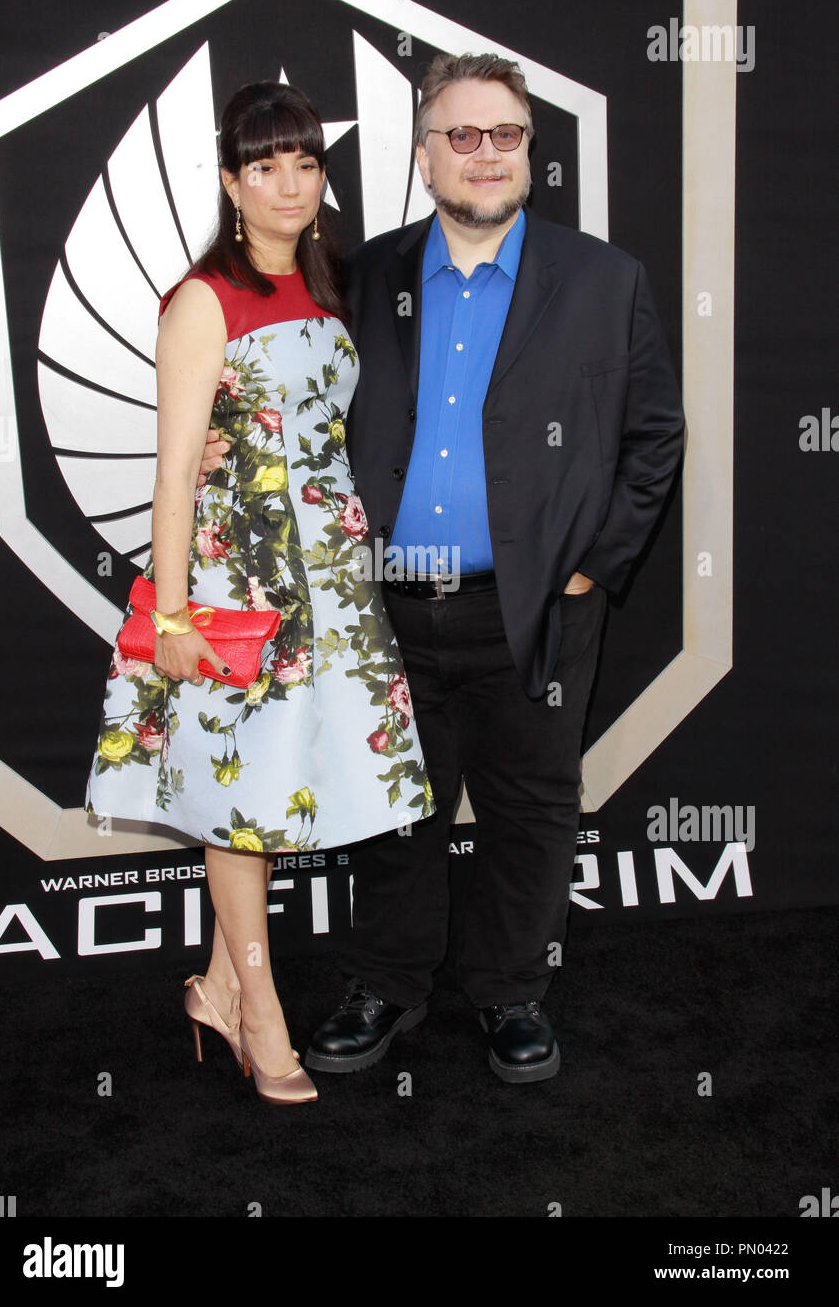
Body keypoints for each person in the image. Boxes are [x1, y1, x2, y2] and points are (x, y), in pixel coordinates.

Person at [199, 53, 684, 1085]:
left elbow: (654, 438)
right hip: (379, 607)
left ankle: (509, 994)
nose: (482, 154)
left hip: (537, 611)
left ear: (526, 153)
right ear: (423, 156)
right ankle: (385, 984)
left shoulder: (605, 281)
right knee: (392, 810)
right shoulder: (361, 274)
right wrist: (221, 439)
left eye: (502, 135)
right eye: (458, 135)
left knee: (530, 806)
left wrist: (592, 568)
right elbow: (285, 385)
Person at [86, 81, 433, 1105]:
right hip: (242, 583)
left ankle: (211, 985)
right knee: (238, 803)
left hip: (331, 577)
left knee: (266, 796)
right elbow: (174, 469)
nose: (289, 183)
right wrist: (178, 616)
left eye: (305, 162)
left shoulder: (330, 287)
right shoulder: (205, 297)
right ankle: (257, 1007)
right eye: (265, 165)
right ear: (232, 183)